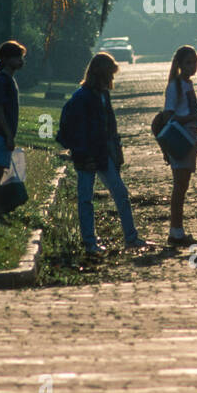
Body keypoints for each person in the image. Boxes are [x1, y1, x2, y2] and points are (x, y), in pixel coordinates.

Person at [63, 52, 153, 257]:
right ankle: (89, 243)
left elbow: (109, 128)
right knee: (86, 198)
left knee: (120, 194)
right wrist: (84, 154)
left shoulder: (103, 95)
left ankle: (130, 237)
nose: (112, 79)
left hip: (103, 154)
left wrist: (116, 150)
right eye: (109, 74)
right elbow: (77, 130)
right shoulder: (82, 97)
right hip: (86, 156)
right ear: (100, 73)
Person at [162, 45, 197, 248]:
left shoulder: (188, 84)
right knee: (179, 187)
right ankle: (176, 232)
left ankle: (178, 230)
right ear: (180, 64)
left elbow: (188, 108)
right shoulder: (175, 86)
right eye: (188, 62)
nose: (193, 66)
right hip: (180, 140)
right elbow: (169, 116)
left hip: (190, 139)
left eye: (195, 62)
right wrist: (196, 116)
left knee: (183, 186)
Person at [0, 40, 25, 223]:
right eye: (17, 57)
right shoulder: (2, 80)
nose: (21, 61)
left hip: (2, 133)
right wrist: (8, 134)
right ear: (7, 59)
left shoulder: (9, 80)